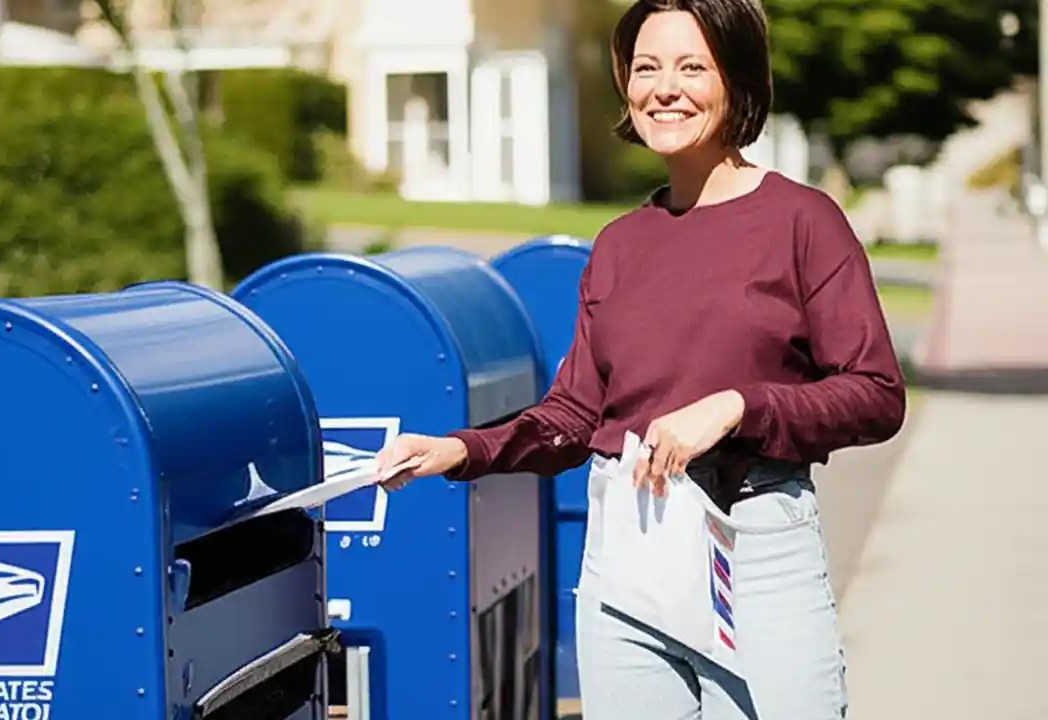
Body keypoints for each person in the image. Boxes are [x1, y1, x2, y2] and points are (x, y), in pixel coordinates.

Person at [374, 0, 906, 717]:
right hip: (627, 557)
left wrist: (739, 406)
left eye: (693, 67)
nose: (665, 88)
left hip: (755, 553)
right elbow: (572, 414)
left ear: (738, 80)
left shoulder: (803, 222)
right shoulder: (620, 244)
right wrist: (458, 450)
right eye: (647, 68)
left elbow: (875, 393)